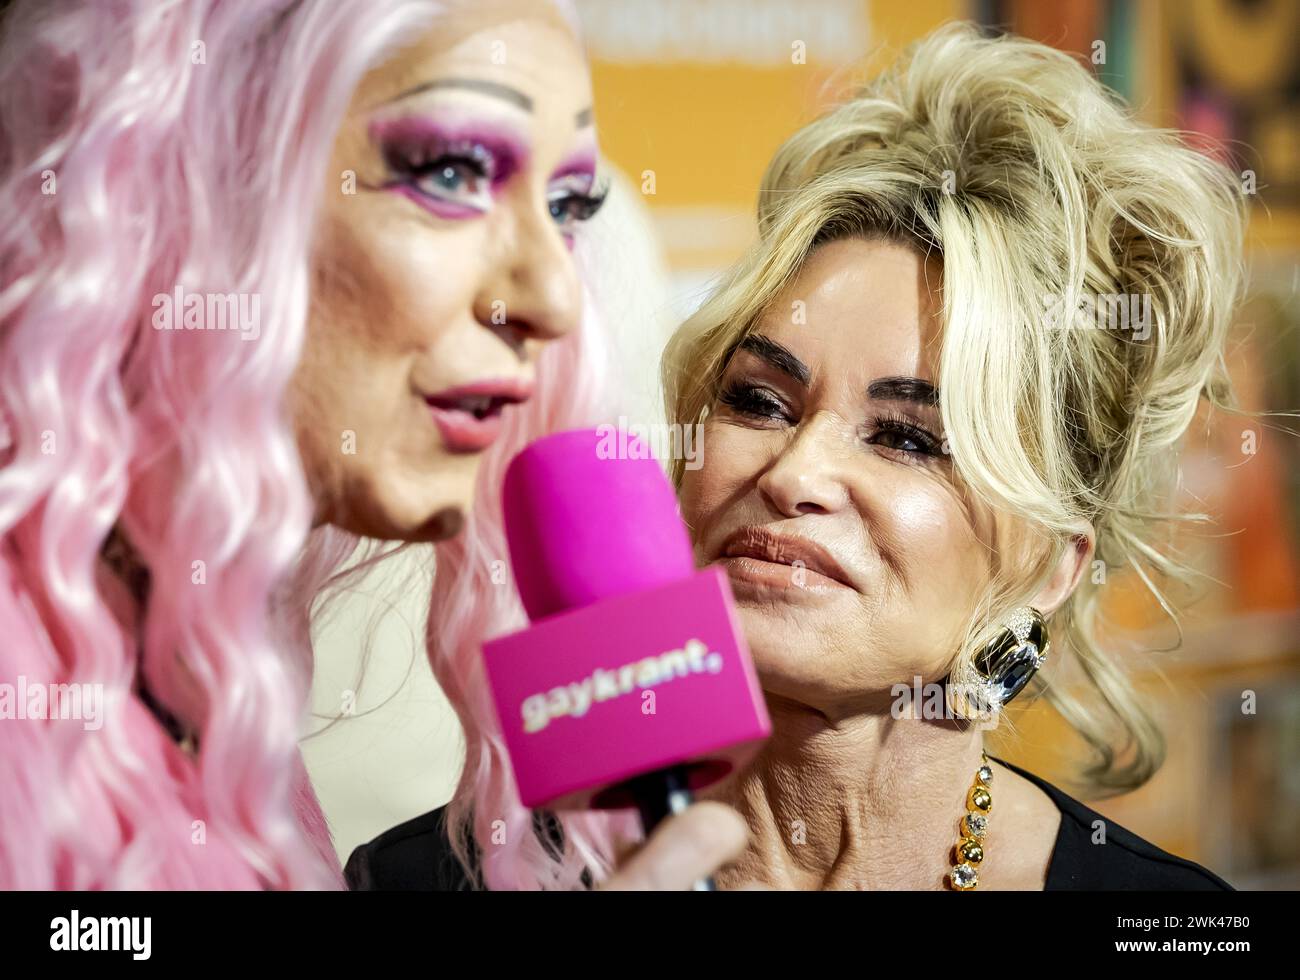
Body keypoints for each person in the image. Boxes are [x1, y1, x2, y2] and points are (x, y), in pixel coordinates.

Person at [350, 21, 1248, 889]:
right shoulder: (433, 878)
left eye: (908, 438)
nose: (792, 474)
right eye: (758, 402)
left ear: (1053, 564)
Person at [0, 0, 745, 890]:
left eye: (567, 205)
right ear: (196, 182)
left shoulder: (205, 688)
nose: (553, 295)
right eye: (452, 172)